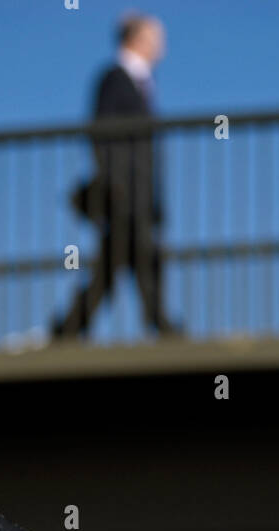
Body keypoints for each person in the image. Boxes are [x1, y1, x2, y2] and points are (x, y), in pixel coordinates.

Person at [52, 12, 181, 338]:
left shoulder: (142, 84)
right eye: (157, 37)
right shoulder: (114, 78)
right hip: (125, 193)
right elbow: (102, 134)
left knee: (115, 262)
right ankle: (162, 326)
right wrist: (117, 184)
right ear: (138, 39)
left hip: (137, 195)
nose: (162, 46)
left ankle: (69, 329)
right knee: (140, 258)